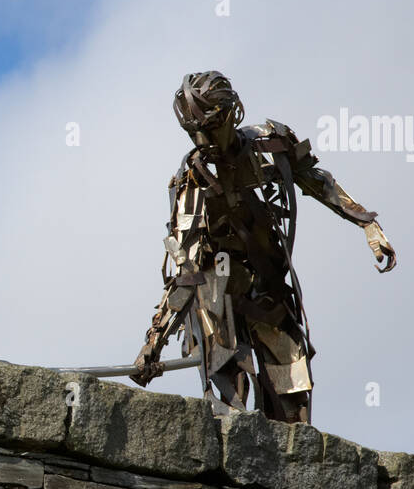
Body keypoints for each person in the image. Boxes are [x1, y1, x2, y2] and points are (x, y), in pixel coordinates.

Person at [132, 71, 396, 423]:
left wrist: (364, 220)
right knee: (230, 411)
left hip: (268, 287)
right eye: (191, 131)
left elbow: (315, 178)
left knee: (293, 399)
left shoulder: (273, 144)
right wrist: (154, 342)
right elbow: (185, 272)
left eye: (206, 127)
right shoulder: (192, 183)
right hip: (216, 301)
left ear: (229, 115)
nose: (200, 139)